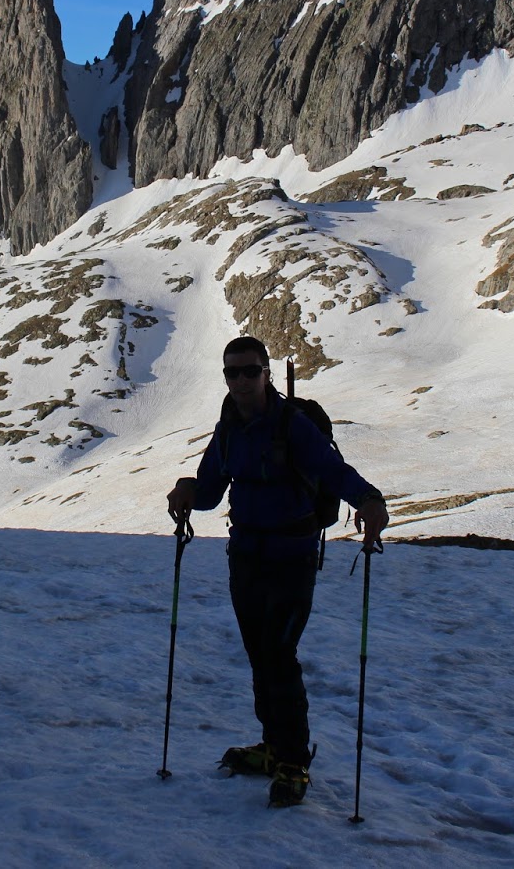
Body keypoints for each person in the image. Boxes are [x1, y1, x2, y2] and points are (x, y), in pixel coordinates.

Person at [167, 335, 388, 808]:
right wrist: (186, 489)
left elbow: (333, 471)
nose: (242, 380)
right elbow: (210, 491)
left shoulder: (292, 425)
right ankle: (274, 747)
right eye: (232, 372)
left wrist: (369, 500)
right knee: (259, 653)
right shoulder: (229, 428)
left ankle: (292, 761)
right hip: (246, 556)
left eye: (251, 371)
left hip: (292, 558)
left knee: (278, 654)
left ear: (266, 373)